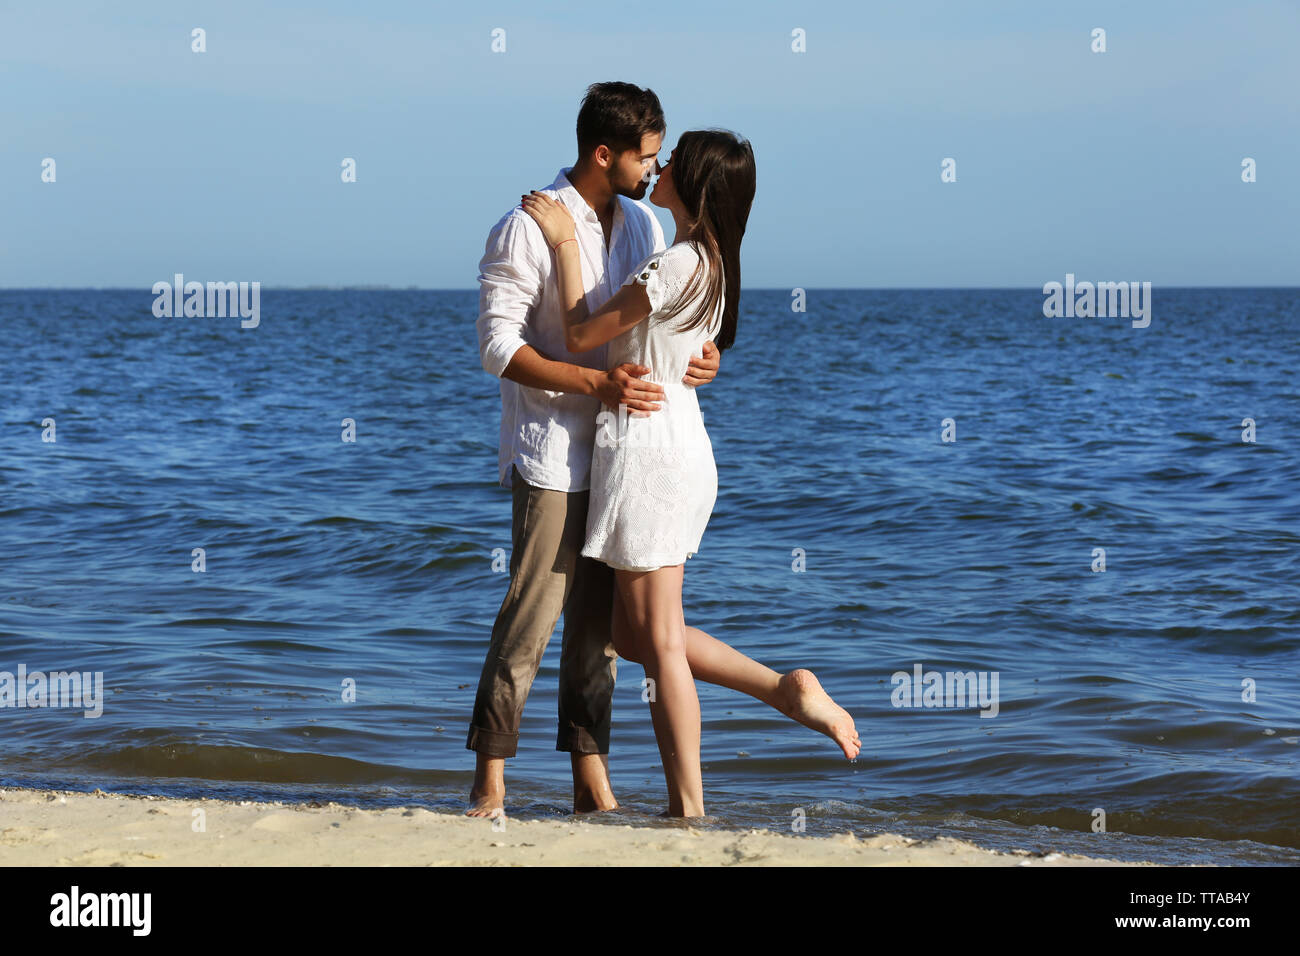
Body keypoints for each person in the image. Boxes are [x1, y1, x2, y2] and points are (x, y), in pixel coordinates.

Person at [521, 129, 861, 818]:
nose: (660, 167)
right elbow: (691, 352)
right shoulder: (708, 262)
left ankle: (690, 810)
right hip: (669, 447)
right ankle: (782, 690)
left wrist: (561, 240)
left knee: (661, 642)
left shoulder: (677, 264)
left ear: (698, 184)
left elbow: (584, 332)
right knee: (635, 635)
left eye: (672, 160)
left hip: (652, 457)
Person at [467, 82, 722, 818]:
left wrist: (702, 361)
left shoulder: (644, 226)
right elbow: (496, 346)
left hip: (623, 456)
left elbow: (655, 325)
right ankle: (489, 781)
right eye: (645, 156)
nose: (655, 166)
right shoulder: (527, 226)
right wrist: (593, 384)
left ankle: (591, 780)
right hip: (550, 449)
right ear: (603, 153)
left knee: (597, 637)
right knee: (531, 618)